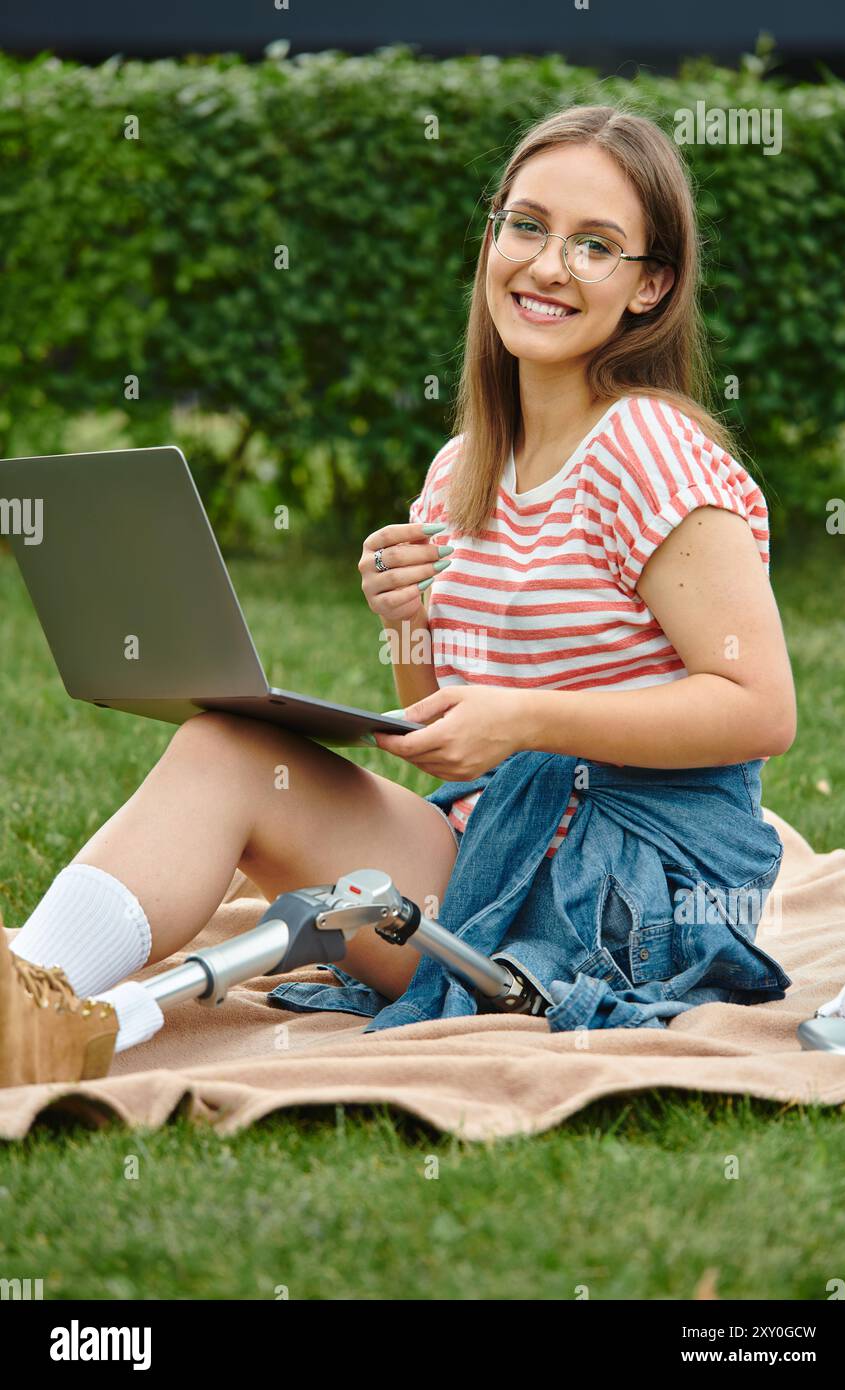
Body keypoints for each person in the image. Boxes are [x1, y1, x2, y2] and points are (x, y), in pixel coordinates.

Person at [0, 103, 796, 1086]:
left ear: (650, 286)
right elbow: (449, 730)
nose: (546, 266)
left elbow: (759, 707)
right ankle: (32, 994)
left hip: (625, 892)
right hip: (499, 844)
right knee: (230, 745)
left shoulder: (647, 446)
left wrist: (527, 718)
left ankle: (33, 990)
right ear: (492, 234)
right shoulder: (460, 468)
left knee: (230, 757)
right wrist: (411, 622)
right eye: (526, 225)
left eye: (595, 246)